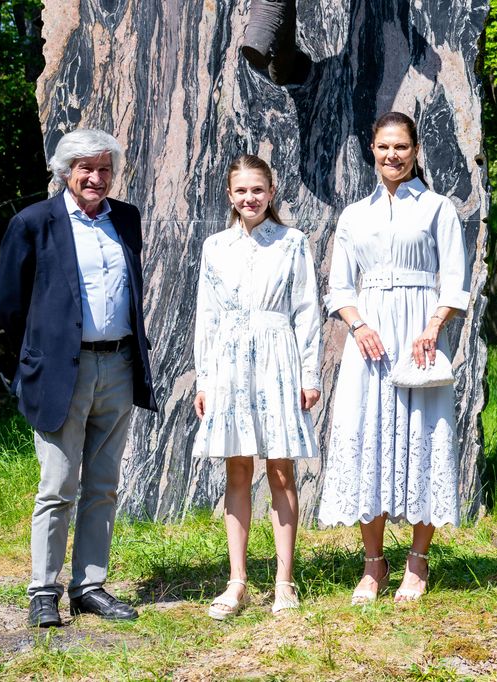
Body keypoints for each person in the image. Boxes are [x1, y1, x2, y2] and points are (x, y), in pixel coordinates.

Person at [0, 129, 157, 628]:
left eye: (105, 169)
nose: (96, 178)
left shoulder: (126, 218)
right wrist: (41, 355)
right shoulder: (34, 222)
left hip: (119, 366)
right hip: (62, 372)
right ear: (66, 172)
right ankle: (44, 590)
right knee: (58, 485)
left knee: (103, 485)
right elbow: (7, 303)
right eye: (86, 169)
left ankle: (89, 586)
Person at [317, 111, 470, 604]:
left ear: (416, 149)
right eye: (384, 147)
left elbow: (454, 279)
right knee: (368, 438)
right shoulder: (354, 215)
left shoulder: (437, 208)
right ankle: (373, 564)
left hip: (420, 336)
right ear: (372, 150)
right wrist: (357, 325)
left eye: (401, 146)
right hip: (371, 340)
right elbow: (339, 286)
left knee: (423, 436)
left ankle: (418, 563)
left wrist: (433, 326)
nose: (392, 155)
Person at [192, 154, 321, 620]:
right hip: (228, 362)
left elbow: (307, 310)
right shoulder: (215, 247)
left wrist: (310, 375)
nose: (250, 198)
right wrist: (203, 378)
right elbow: (205, 316)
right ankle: (238, 580)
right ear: (230, 195)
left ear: (271, 193)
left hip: (277, 359)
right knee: (238, 469)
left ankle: (284, 582)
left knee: (281, 469)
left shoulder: (292, 243)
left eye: (258, 190)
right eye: (241, 191)